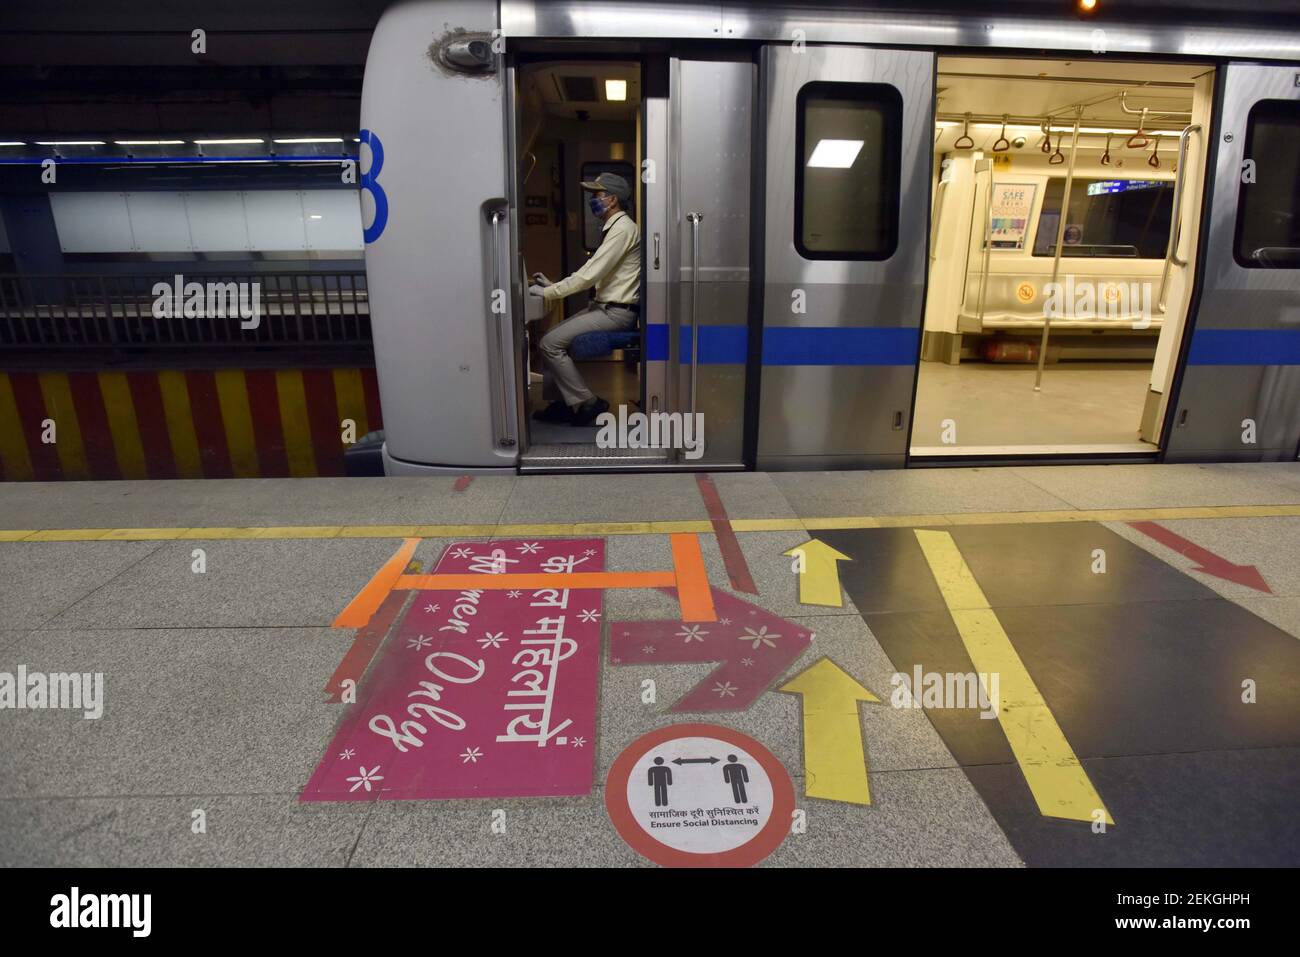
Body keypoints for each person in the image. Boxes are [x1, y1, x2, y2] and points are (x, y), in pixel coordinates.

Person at [528, 171, 641, 427]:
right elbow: (591, 270)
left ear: (612, 200)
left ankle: (586, 403)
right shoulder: (614, 228)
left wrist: (549, 292)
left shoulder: (622, 230)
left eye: (597, 195)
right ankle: (569, 404)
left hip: (615, 313)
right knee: (554, 337)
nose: (593, 200)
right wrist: (555, 285)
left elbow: (589, 276)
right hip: (603, 307)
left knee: (549, 344)